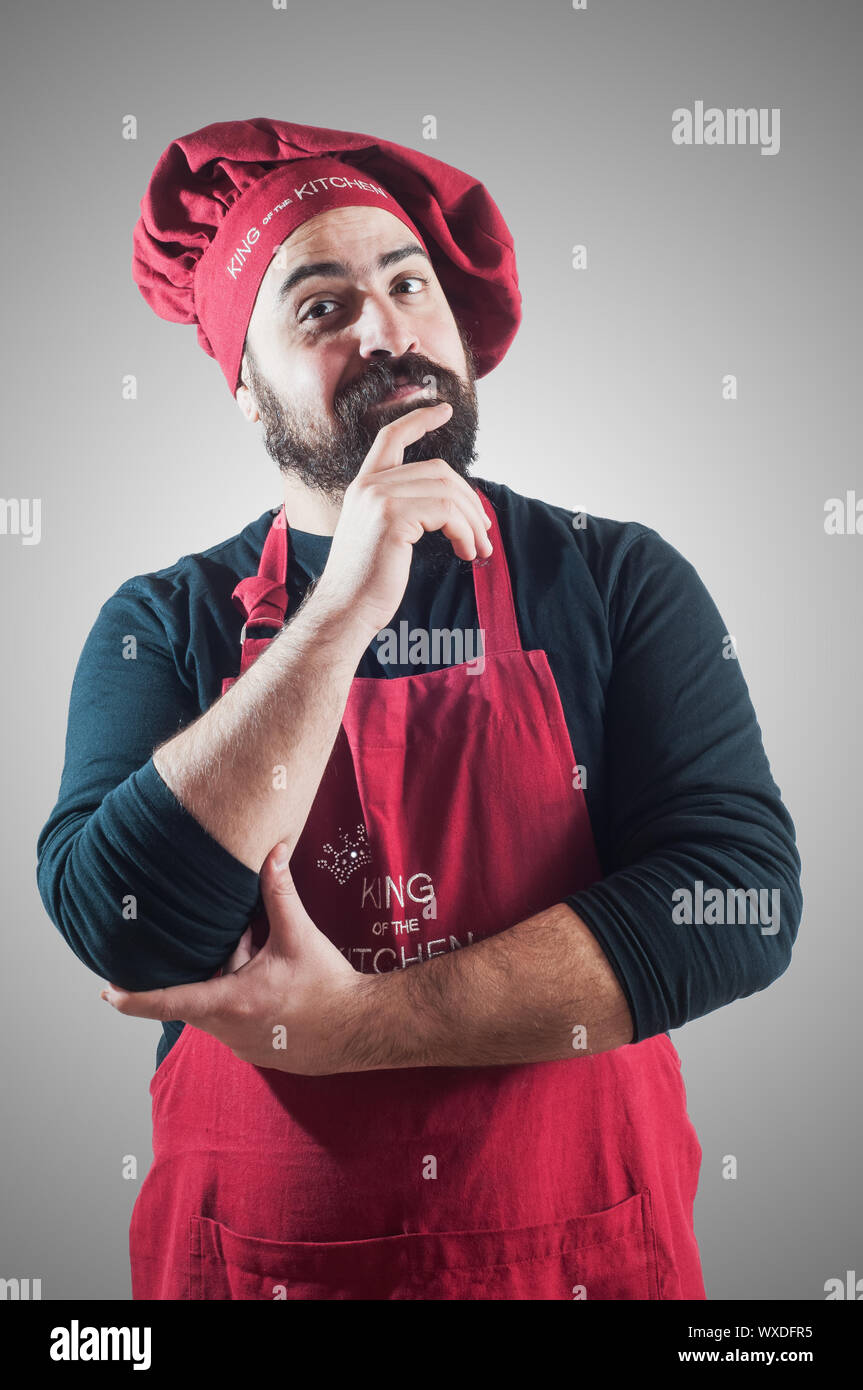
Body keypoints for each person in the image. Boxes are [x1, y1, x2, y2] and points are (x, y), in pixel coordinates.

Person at [36, 117, 803, 1301]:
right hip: (255, 1272)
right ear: (244, 389)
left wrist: (363, 1023)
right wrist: (338, 610)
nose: (387, 329)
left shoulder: (611, 579)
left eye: (408, 284)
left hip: (579, 1263)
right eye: (322, 306)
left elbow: (740, 900)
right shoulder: (163, 622)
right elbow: (124, 924)